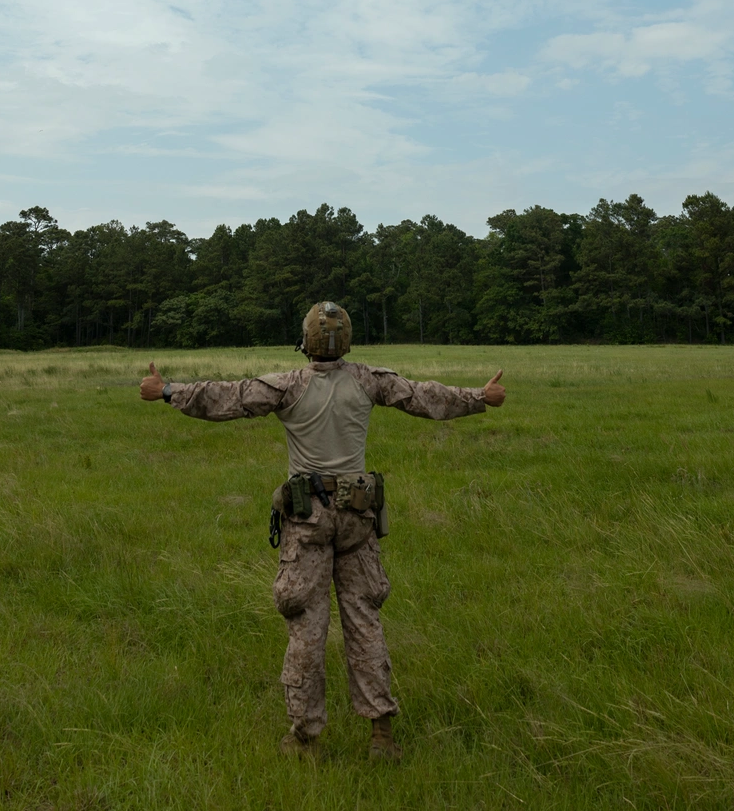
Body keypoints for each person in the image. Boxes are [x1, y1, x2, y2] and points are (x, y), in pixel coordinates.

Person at [140, 301, 506, 761]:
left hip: (307, 518)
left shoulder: (286, 386)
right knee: (364, 620)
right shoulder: (370, 381)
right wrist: (478, 398)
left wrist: (168, 390)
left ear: (305, 341)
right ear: (347, 340)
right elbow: (424, 396)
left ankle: (305, 737)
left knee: (307, 627)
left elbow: (226, 397)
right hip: (358, 516)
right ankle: (381, 736)